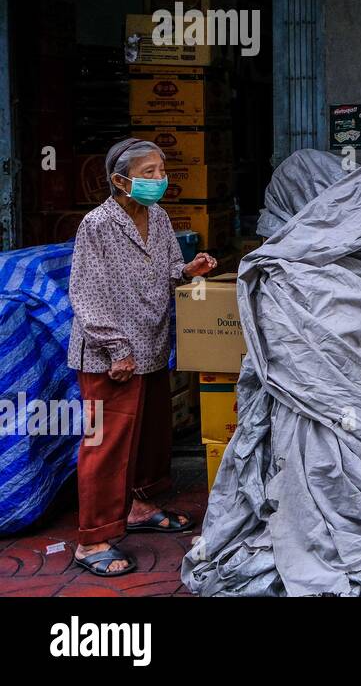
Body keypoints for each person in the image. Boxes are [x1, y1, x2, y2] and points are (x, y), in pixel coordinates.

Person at [67, 138, 219, 576]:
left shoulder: (158, 216)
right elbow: (87, 292)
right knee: (106, 444)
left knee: (150, 438)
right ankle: (93, 538)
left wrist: (189, 271)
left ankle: (138, 506)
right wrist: (116, 348)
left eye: (161, 170)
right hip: (111, 356)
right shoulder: (98, 224)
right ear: (120, 180)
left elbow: (168, 268)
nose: (159, 179)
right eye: (149, 172)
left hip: (150, 347)